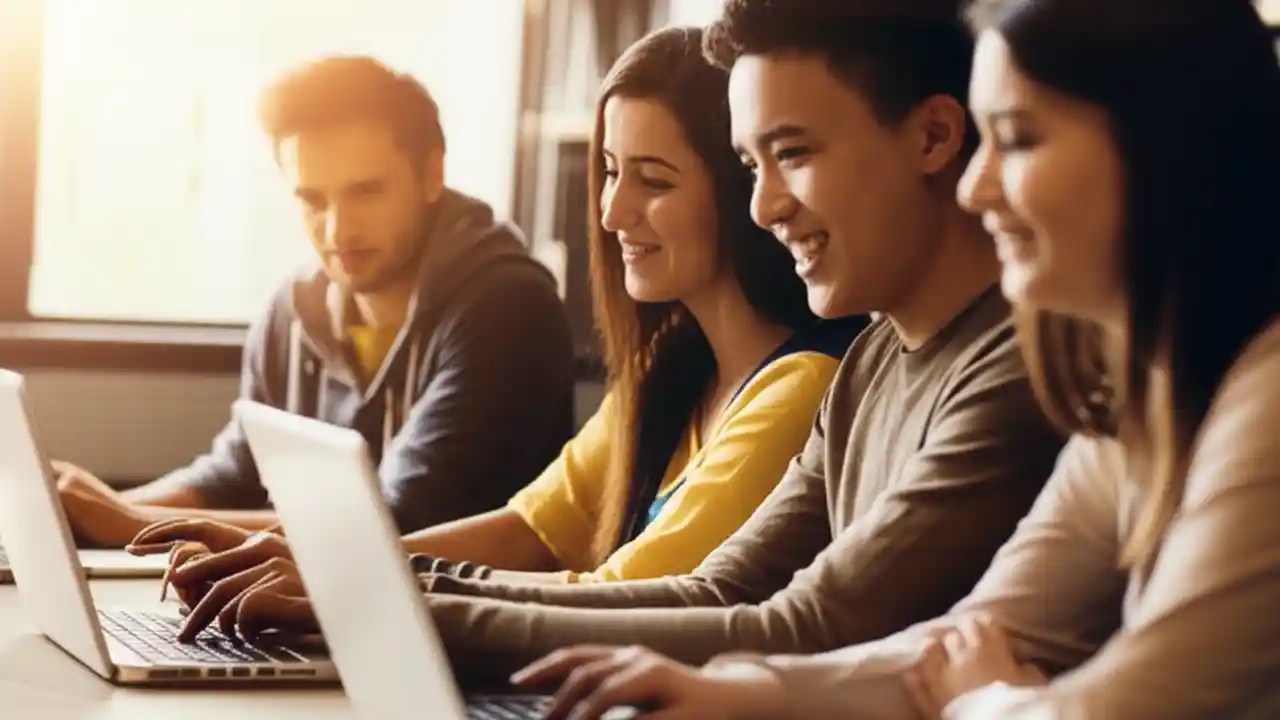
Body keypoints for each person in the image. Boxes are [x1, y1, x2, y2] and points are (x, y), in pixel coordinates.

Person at [143, 0, 1066, 675]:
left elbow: (799, 627)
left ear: (937, 137)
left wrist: (376, 601)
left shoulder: (1002, 373)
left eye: (794, 155)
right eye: (753, 163)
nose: (765, 205)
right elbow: (713, 594)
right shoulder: (872, 361)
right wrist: (376, 587)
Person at [515, 1, 1280, 718]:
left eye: (1016, 140)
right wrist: (748, 692)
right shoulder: (1140, 393)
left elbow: (1117, 708)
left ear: (1161, 143)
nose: (977, 189)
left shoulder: (1268, 395)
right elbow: (964, 643)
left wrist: (986, 699)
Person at [129, 27, 862, 594]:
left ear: (739, 194)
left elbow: (626, 596)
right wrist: (312, 560)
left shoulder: (797, 387)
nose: (611, 212)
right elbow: (529, 529)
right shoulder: (667, 365)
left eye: (654, 181)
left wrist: (351, 583)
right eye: (610, 173)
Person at [53, 56, 577, 547]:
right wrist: (85, 511)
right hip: (306, 614)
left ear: (431, 175)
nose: (338, 230)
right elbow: (237, 471)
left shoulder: (510, 309)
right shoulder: (294, 308)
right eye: (312, 199)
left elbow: (398, 520)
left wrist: (135, 524)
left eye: (366, 192)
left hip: (452, 628)